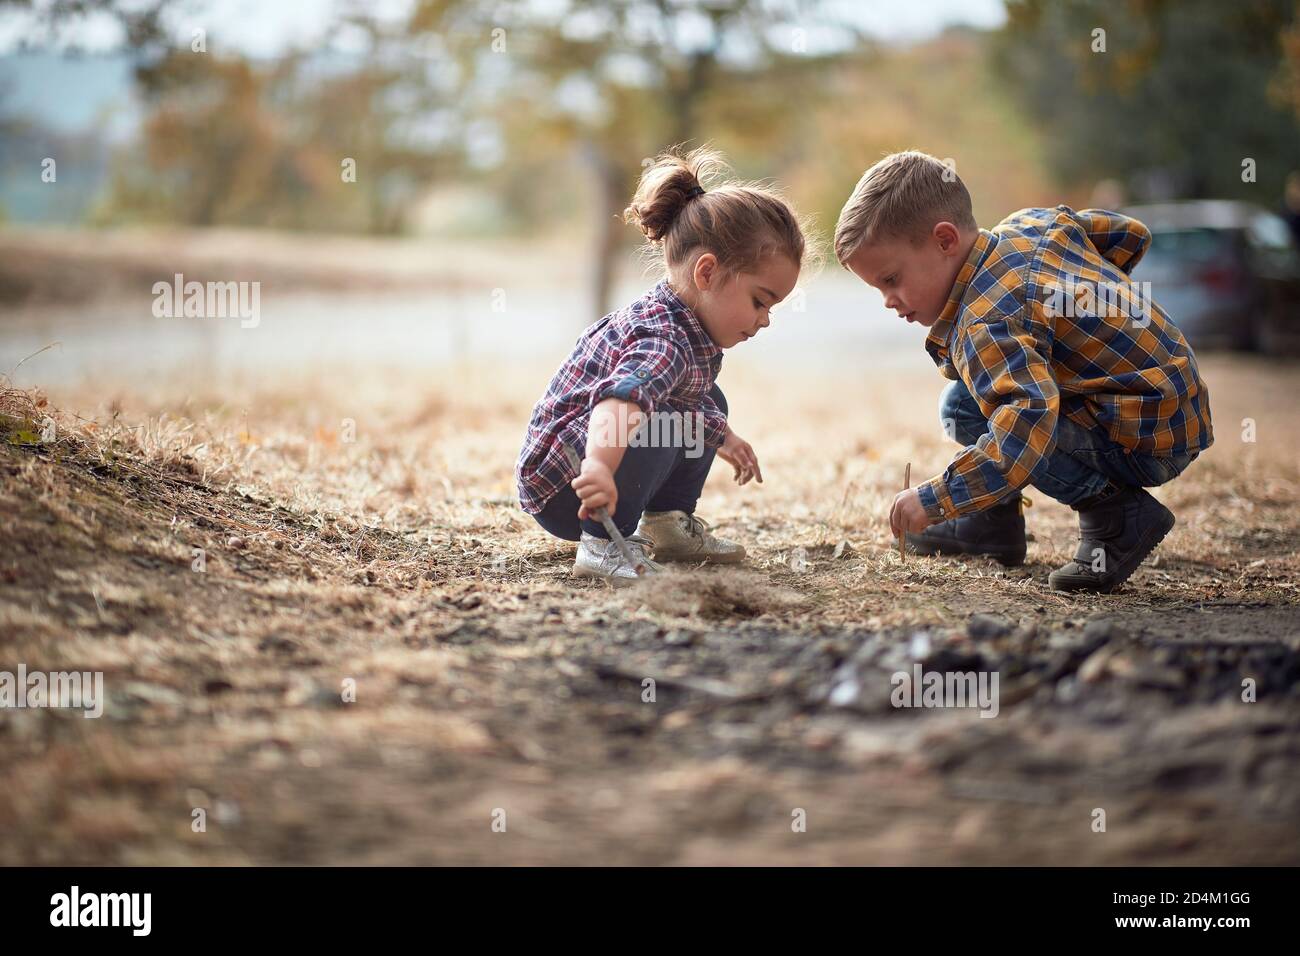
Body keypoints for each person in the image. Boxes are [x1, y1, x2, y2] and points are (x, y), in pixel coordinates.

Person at [834, 151, 1213, 593]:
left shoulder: (987, 320)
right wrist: (1099, 312)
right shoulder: (1030, 226)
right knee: (964, 400)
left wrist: (937, 499)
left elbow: (1026, 425)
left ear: (944, 240)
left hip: (1148, 442)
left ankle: (1116, 516)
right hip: (1175, 405)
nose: (888, 299)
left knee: (1002, 416)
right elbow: (1128, 233)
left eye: (891, 279)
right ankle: (992, 528)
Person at [517, 145, 812, 585]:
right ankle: (602, 545)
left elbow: (690, 399)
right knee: (666, 416)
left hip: (590, 467)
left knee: (707, 399)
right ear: (707, 273)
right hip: (571, 488)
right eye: (759, 301)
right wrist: (597, 466)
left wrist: (724, 437)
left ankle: (665, 524)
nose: (764, 320)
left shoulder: (686, 324)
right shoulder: (665, 339)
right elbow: (618, 401)